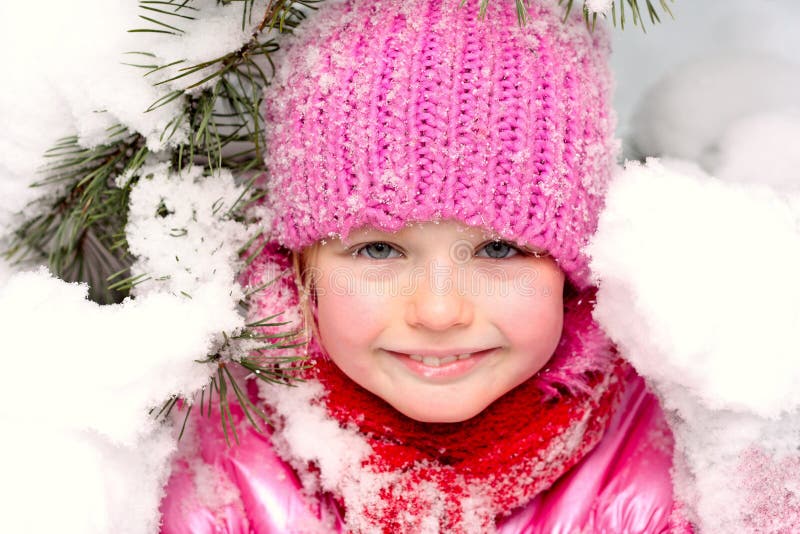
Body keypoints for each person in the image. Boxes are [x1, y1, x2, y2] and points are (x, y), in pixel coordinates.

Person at [159, 0, 687, 532]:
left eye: (499, 250)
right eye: (379, 250)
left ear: (572, 273)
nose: (438, 313)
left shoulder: (663, 464)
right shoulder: (214, 464)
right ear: (302, 266)